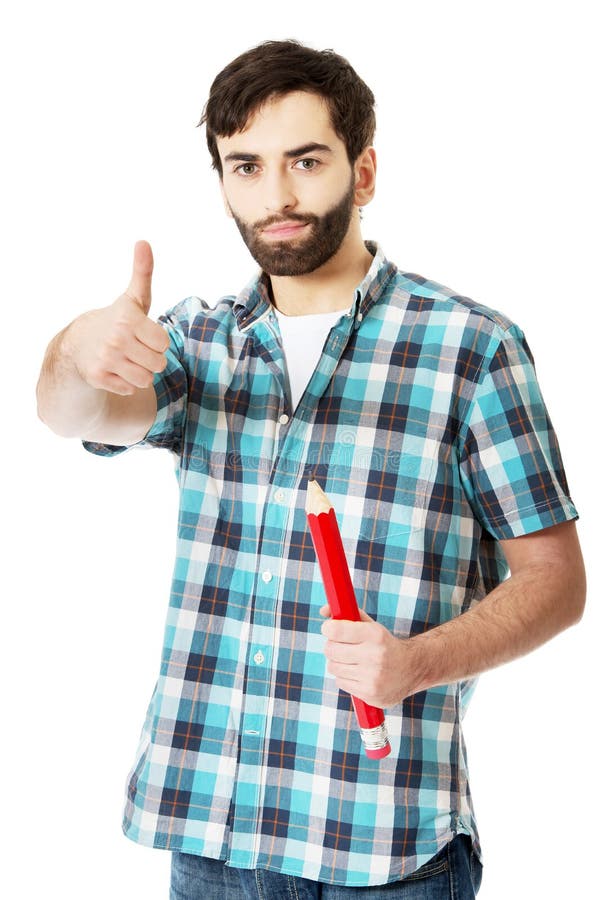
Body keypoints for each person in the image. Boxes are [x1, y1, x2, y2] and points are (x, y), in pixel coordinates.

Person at [36, 39, 586, 900]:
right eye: (245, 167)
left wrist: (415, 663)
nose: (277, 196)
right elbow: (77, 414)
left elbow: (555, 583)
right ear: (221, 182)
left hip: (385, 847)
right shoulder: (195, 340)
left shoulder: (472, 348)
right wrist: (76, 351)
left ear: (363, 172)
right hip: (211, 839)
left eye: (305, 161)